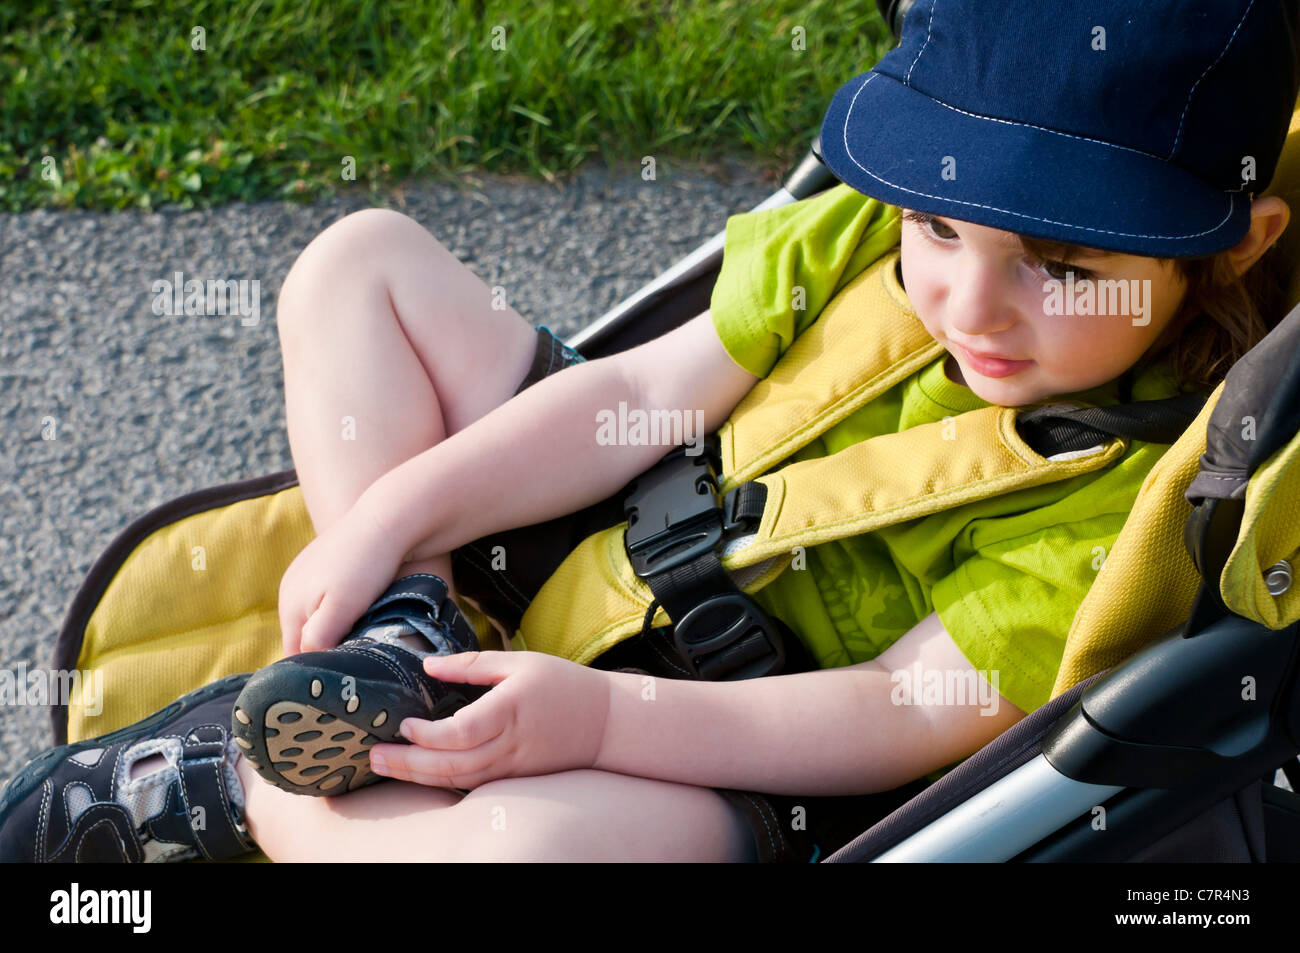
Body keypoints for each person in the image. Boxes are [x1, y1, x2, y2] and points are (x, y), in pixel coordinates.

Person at [4, 0, 1299, 864]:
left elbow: (900, 707)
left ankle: (278, 807)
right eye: (943, 232)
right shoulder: (869, 228)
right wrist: (398, 522)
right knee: (360, 264)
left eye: (1064, 267)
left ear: (1234, 246)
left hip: (741, 741)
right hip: (625, 503)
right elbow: (643, 394)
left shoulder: (1125, 506)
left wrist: (602, 721)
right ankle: (410, 623)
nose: (969, 301)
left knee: (522, 848)